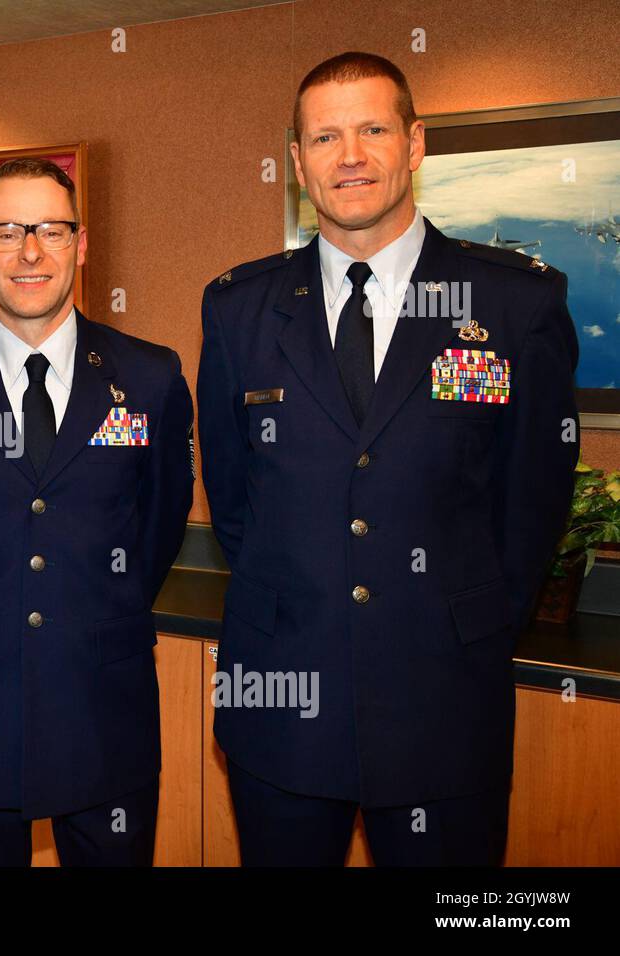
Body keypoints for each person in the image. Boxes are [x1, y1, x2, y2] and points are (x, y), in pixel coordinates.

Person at [197, 52, 579, 865]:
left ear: (414, 144)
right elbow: (235, 500)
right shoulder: (239, 307)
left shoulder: (514, 302)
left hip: (445, 698)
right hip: (281, 699)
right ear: (297, 162)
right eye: (325, 137)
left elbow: (532, 503)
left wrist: (459, 624)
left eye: (373, 129)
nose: (350, 156)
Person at [0, 158, 193, 866]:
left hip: (103, 705)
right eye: (7, 231)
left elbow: (160, 523)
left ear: (80, 245)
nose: (30, 252)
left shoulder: (150, 377)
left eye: (51, 230)